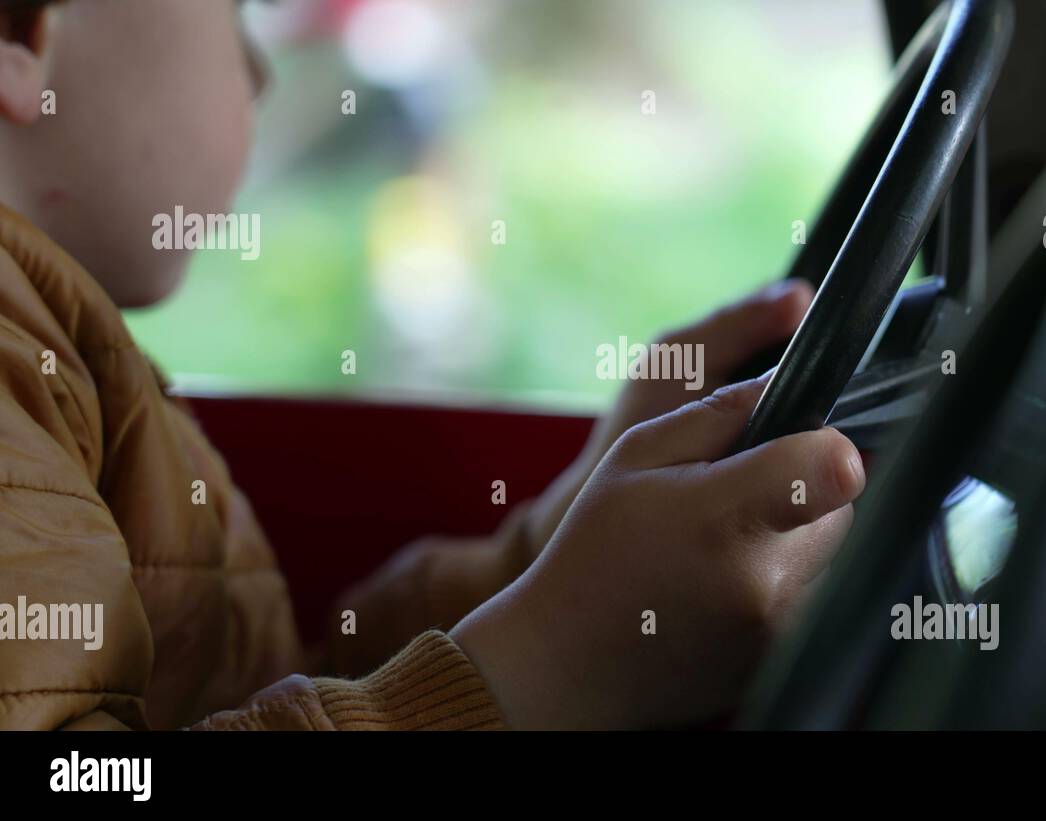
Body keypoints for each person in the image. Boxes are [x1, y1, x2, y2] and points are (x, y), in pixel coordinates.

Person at [0, 0, 865, 730]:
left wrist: (547, 551)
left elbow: (272, 693)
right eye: (232, 12)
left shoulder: (68, 355)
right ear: (22, 38)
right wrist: (547, 662)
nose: (261, 76)